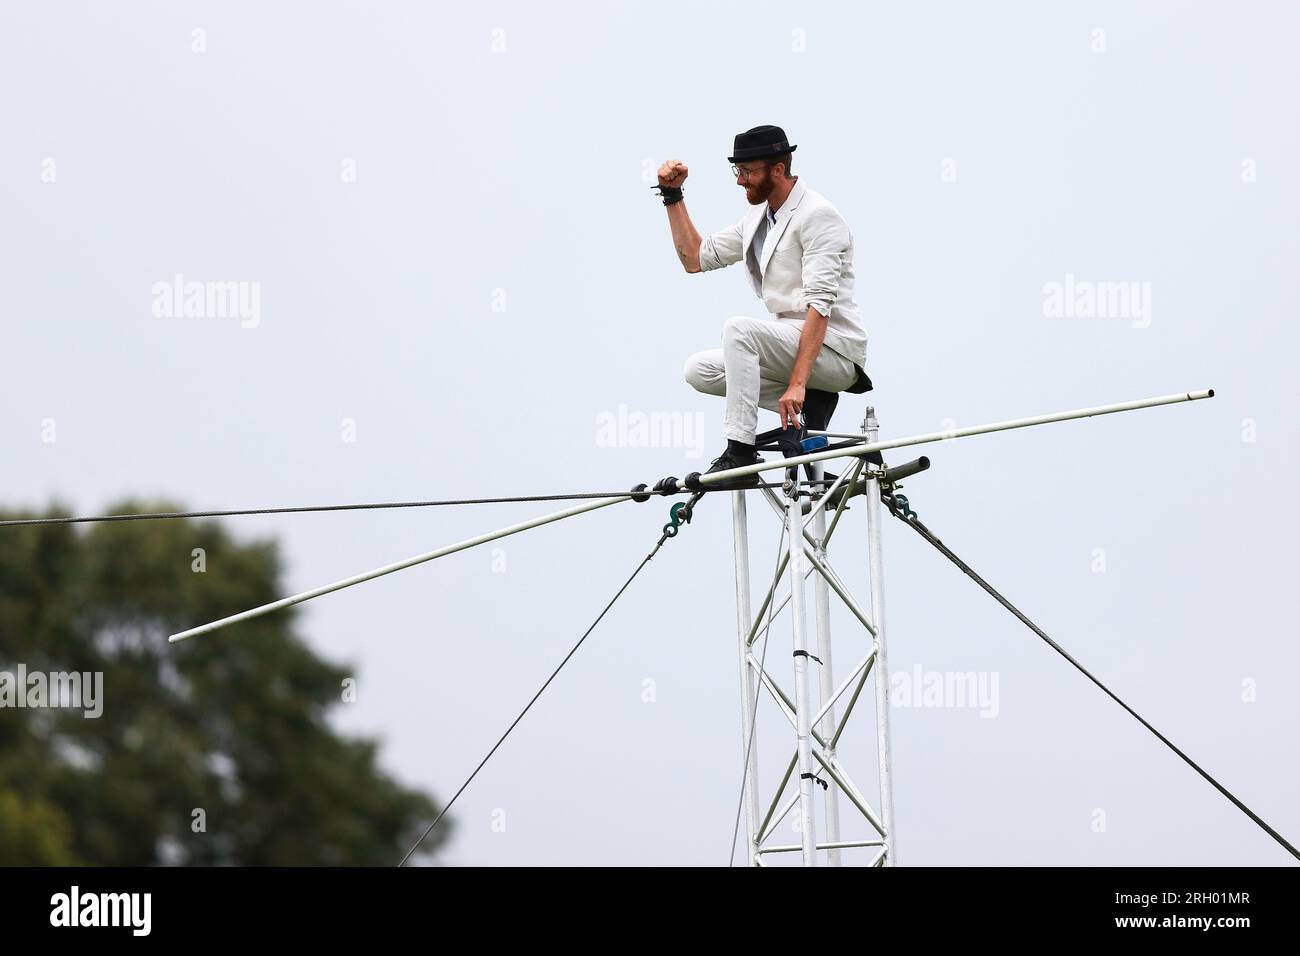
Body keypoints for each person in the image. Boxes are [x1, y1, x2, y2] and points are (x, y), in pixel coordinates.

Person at [656, 125, 871, 489]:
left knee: (739, 330)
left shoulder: (818, 215)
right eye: (737, 171)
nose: (741, 181)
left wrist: (797, 385)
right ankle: (809, 414)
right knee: (699, 370)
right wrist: (672, 195)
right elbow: (695, 258)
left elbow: (820, 307)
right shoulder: (758, 219)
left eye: (748, 171)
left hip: (833, 351)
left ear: (777, 170)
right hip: (790, 344)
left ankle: (740, 452)